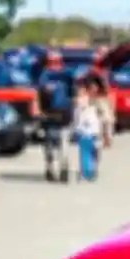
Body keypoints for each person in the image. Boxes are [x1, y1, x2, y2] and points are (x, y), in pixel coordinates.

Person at [35, 52, 73, 183]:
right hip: (61, 113)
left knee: (52, 142)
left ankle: (54, 169)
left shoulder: (44, 75)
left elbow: (40, 93)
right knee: (61, 141)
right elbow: (72, 93)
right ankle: (60, 168)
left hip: (53, 113)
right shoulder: (67, 75)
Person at [71, 82, 102, 182]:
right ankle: (87, 173)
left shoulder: (92, 101)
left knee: (92, 152)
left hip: (93, 131)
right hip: (84, 131)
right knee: (86, 152)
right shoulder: (81, 102)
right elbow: (77, 118)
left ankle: (89, 171)